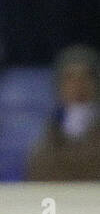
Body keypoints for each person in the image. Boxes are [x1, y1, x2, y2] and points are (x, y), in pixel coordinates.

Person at [27, 45, 100, 182]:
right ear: (59, 85)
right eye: (70, 78)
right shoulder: (47, 134)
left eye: (86, 77)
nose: (78, 85)